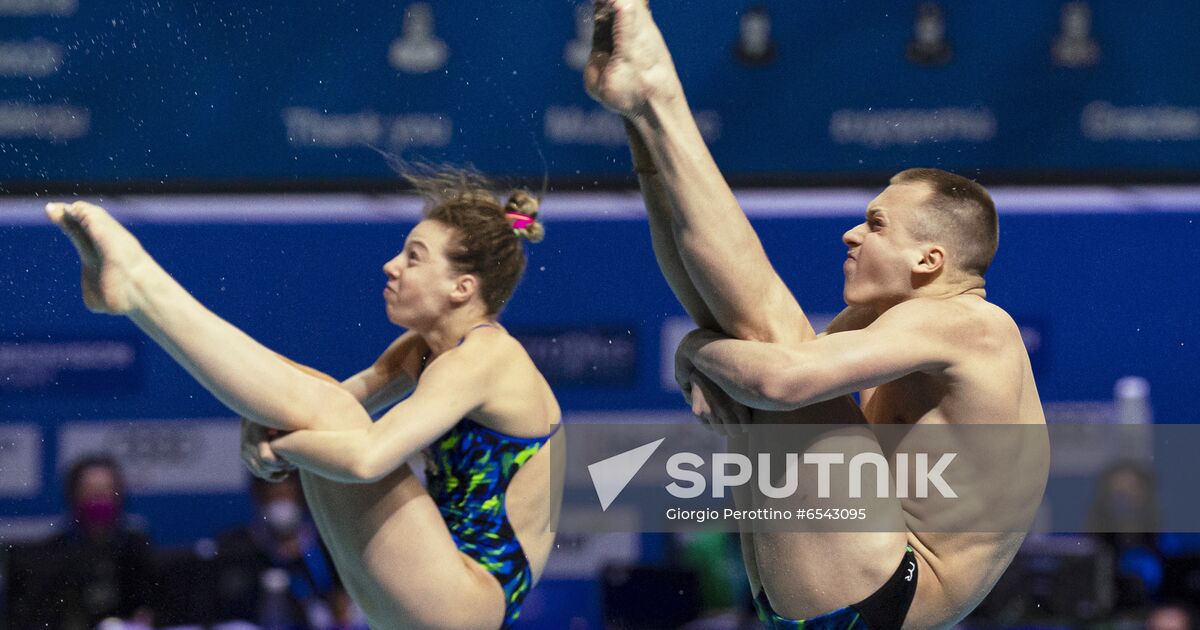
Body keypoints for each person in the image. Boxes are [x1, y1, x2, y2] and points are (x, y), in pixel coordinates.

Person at [585, 1, 1048, 628]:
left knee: (774, 342)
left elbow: (779, 381)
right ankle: (642, 118)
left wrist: (695, 353)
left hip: (887, 590)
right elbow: (749, 355)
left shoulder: (970, 325)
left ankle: (659, 97)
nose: (851, 235)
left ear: (929, 259)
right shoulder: (902, 325)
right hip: (857, 589)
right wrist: (712, 354)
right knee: (756, 334)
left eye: (876, 224)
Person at [45, 167, 563, 630]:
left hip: (466, 599)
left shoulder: (483, 358)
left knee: (331, 417)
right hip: (434, 578)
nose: (391, 266)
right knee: (323, 399)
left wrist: (285, 448)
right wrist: (265, 420)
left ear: (462, 287)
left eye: (413, 257)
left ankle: (140, 287)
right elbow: (328, 396)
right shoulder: (426, 348)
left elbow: (367, 458)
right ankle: (133, 294)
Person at [6, 455, 154, 630]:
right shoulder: (51, 554)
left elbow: (149, 605)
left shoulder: (136, 548)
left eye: (107, 490)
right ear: (73, 496)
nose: (100, 498)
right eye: (91, 490)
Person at [215, 475, 357, 628]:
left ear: (302, 491)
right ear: (259, 493)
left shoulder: (328, 543)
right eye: (272, 487)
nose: (279, 491)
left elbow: (342, 601)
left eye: (286, 486)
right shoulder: (236, 545)